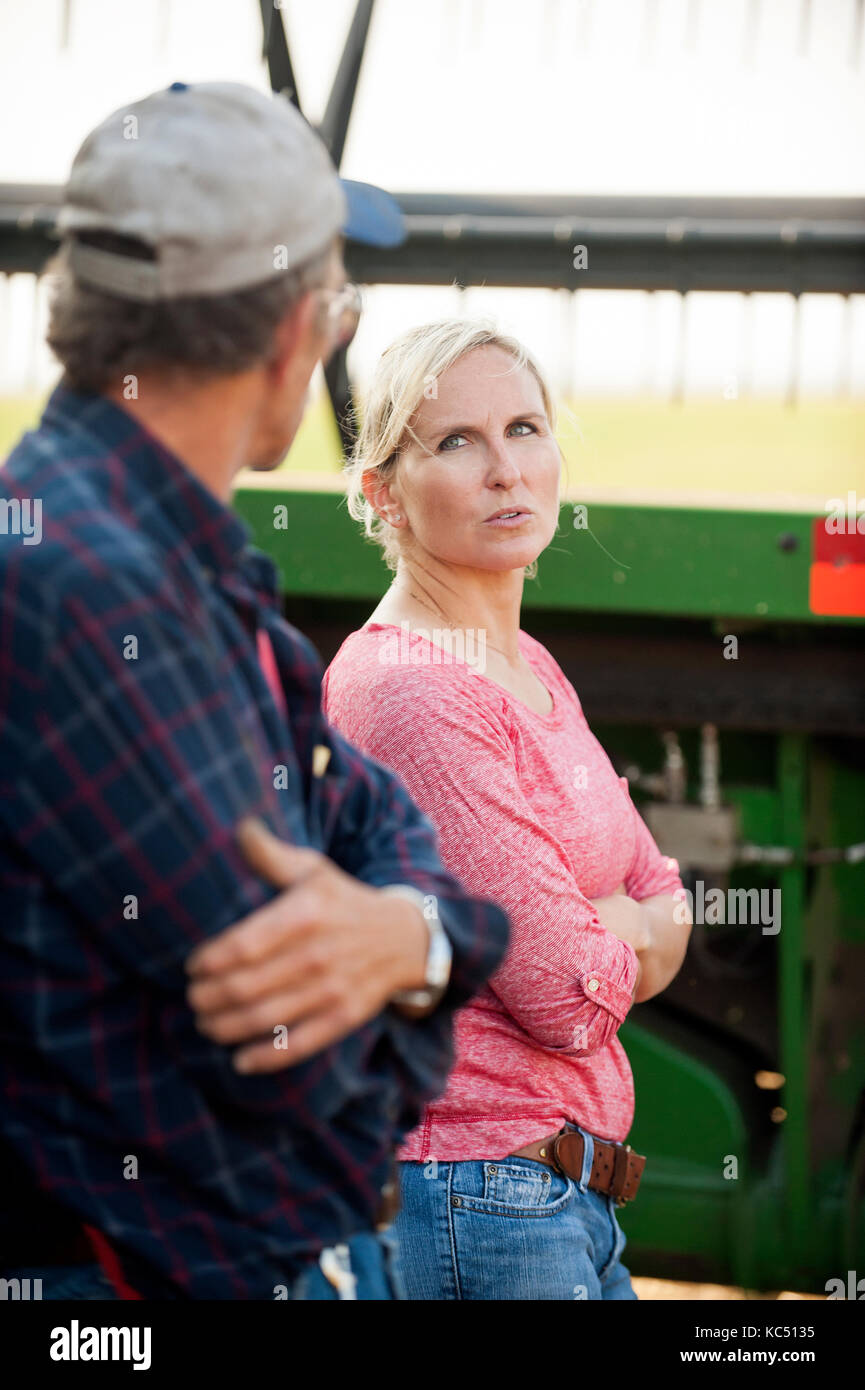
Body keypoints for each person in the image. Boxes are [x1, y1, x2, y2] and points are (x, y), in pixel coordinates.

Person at [0, 87, 509, 1301]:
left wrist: (406, 934)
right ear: (295, 332)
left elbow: (366, 816)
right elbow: (304, 1069)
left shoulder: (159, 552)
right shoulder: (93, 592)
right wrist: (436, 949)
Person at [318, 318, 693, 1299]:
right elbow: (564, 992)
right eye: (455, 441)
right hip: (473, 1199)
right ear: (382, 493)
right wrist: (621, 924)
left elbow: (667, 893)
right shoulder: (412, 692)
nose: (505, 470)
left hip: (563, 1197)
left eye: (524, 428)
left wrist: (620, 921)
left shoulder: (530, 669)